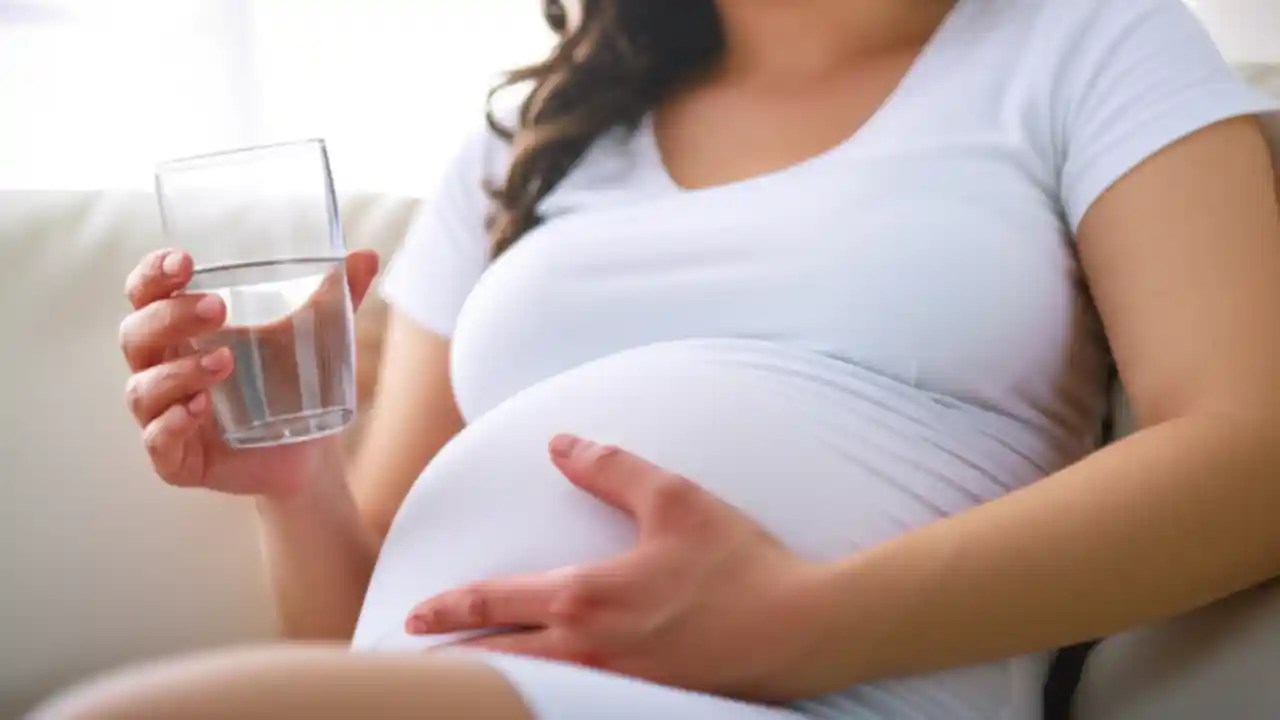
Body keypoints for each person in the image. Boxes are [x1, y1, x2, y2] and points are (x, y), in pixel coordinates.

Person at [42, 0, 1280, 717]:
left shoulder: (1084, 41)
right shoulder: (531, 142)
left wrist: (801, 626)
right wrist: (296, 485)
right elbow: (356, 640)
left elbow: (1251, 455)